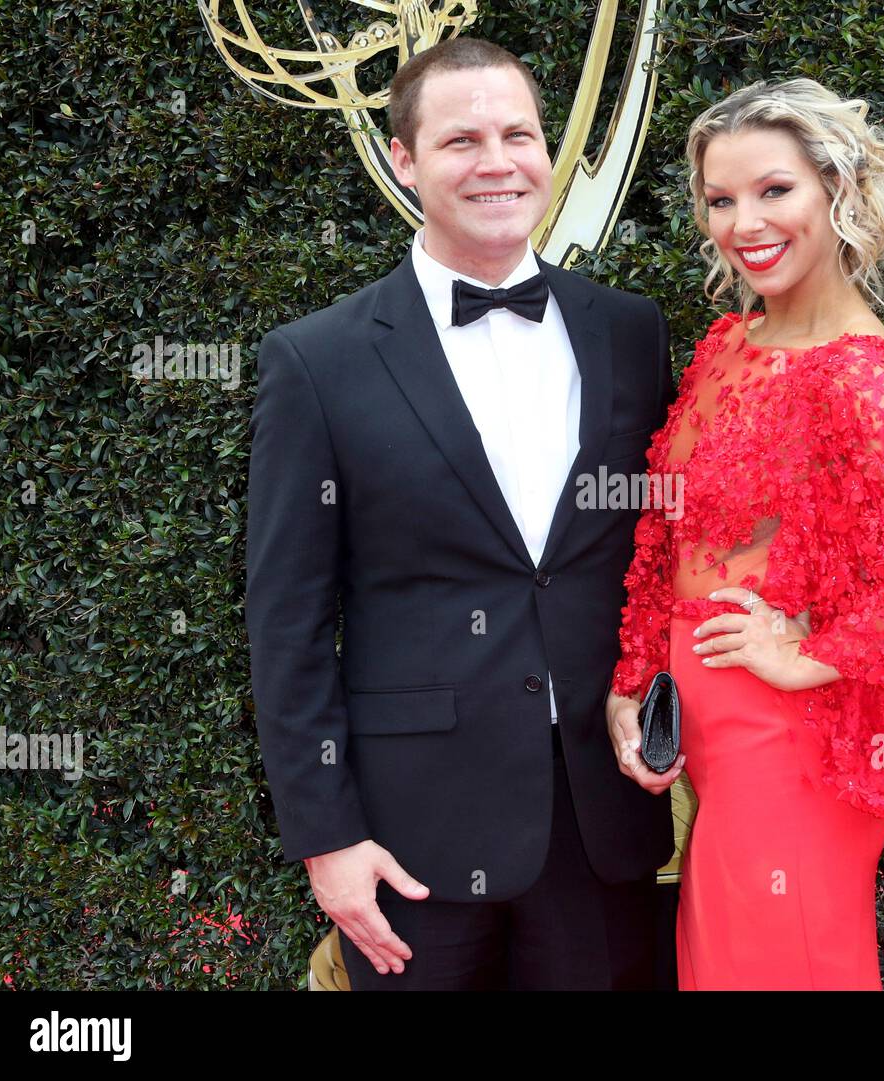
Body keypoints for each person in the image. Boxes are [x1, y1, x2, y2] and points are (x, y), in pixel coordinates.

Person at [246, 37, 675, 991]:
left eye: (518, 133)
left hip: (601, 826)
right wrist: (327, 839)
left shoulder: (633, 329)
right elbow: (288, 621)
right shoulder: (317, 361)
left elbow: (664, 550)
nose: (497, 162)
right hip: (409, 842)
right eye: (461, 140)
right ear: (403, 160)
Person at [606, 77, 884, 990]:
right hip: (713, 742)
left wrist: (814, 652)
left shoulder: (855, 375)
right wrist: (636, 677)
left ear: (838, 192)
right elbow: (669, 534)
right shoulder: (731, 343)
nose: (743, 222)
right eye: (721, 200)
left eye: (774, 190)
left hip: (784, 749)